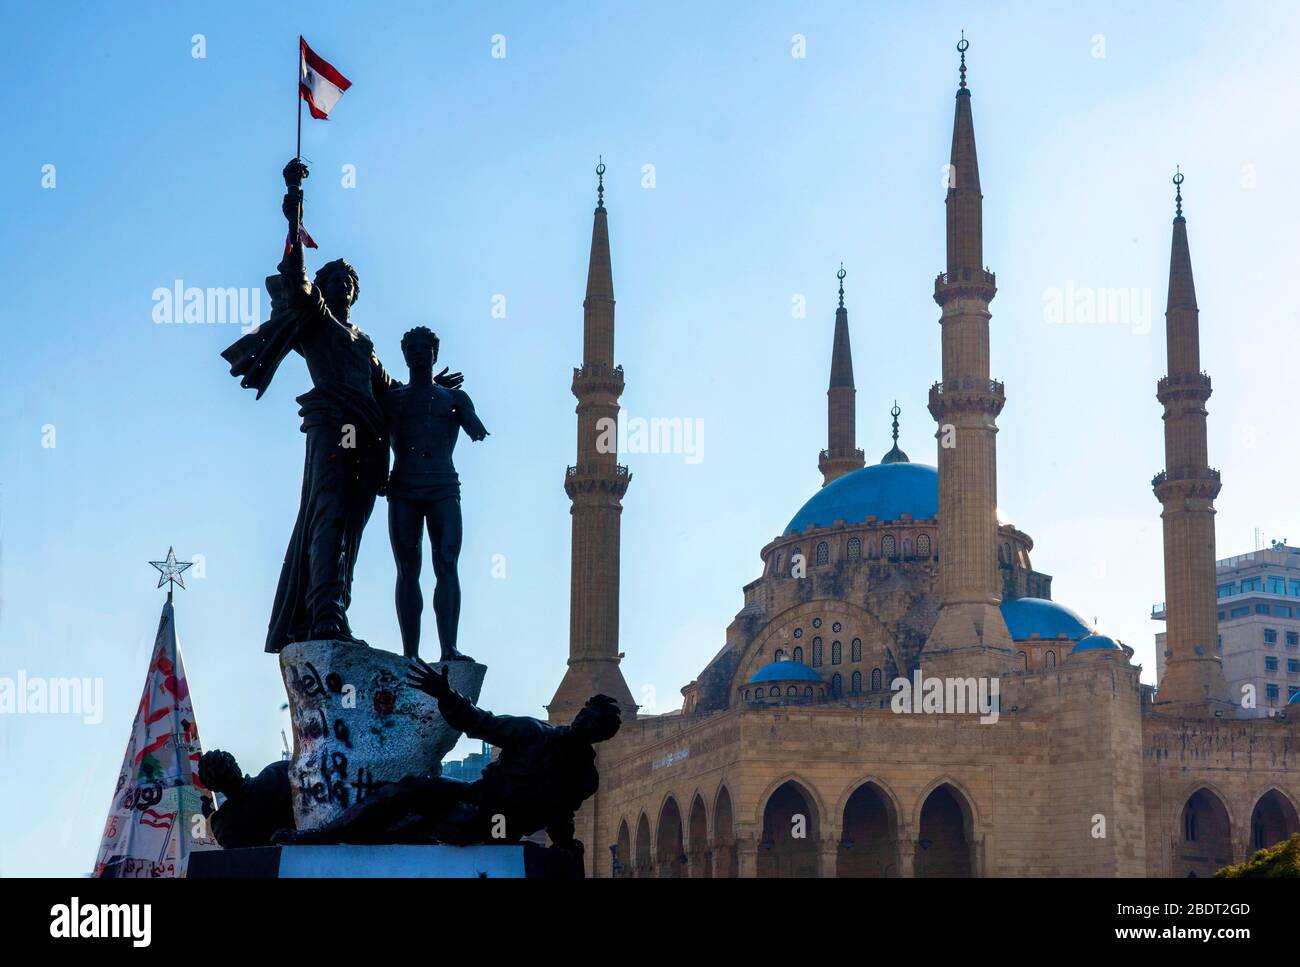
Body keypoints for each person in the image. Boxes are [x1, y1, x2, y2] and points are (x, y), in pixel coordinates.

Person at [221, 159, 462, 650]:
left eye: (349, 283)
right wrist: (294, 209)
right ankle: (322, 612)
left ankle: (336, 613)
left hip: (368, 438)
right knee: (328, 515)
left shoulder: (364, 341)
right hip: (333, 426)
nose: (342, 288)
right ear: (324, 290)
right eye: (334, 282)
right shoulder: (317, 322)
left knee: (353, 526)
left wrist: (430, 384)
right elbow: (295, 272)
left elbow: (388, 389)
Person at [385, 326, 489, 660]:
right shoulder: (393, 399)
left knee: (446, 561)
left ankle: (448, 647)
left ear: (435, 353)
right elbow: (374, 440)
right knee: (407, 566)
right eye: (412, 347)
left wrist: (464, 413)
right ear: (404, 354)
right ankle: (410, 654)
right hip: (404, 484)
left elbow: (476, 429)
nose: (417, 352)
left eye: (424, 347)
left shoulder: (453, 399)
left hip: (443, 483)